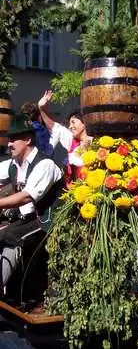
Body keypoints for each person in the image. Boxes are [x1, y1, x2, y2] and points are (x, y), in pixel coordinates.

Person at [0, 123, 63, 289]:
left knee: (11, 235)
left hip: (48, 220)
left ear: (28, 139)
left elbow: (27, 196)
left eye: (13, 139)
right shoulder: (13, 164)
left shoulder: (45, 164)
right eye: (9, 139)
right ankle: (9, 293)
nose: (9, 143)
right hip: (27, 219)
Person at [37, 90, 92, 187]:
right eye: (70, 123)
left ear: (84, 123)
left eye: (73, 122)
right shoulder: (71, 139)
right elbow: (54, 126)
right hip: (74, 192)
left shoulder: (96, 141)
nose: (70, 126)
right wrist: (42, 109)